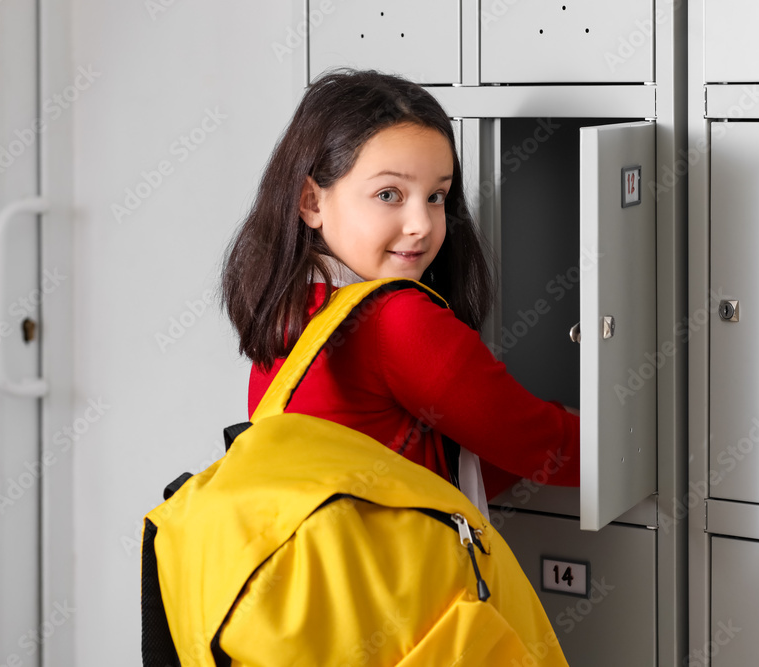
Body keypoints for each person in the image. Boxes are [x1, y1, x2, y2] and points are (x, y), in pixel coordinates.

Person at [221, 68, 579, 514]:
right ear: (312, 201)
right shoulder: (397, 319)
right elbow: (542, 447)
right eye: (389, 194)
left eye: (436, 196)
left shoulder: (287, 312)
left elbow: (426, 463)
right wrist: (649, 444)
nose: (422, 225)